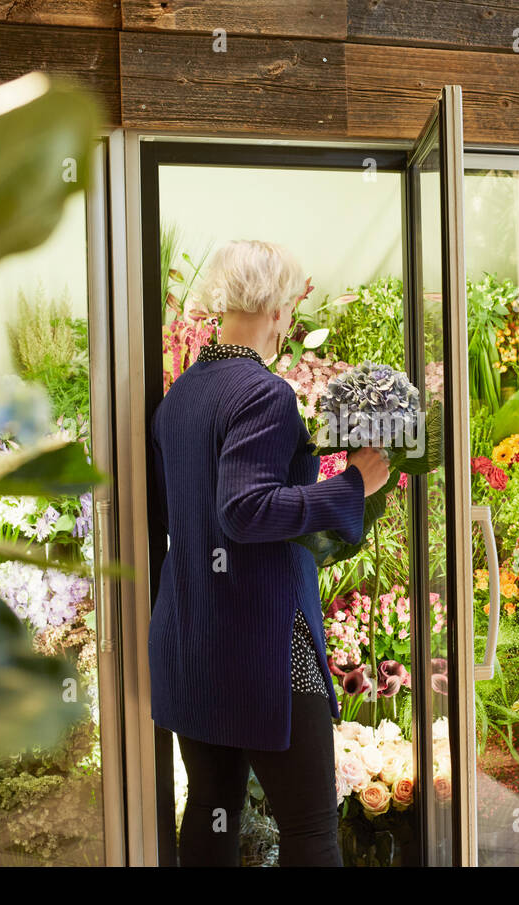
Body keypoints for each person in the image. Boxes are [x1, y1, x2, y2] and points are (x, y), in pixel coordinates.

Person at [147, 239, 390, 866]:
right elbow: (246, 509)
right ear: (280, 310)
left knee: (211, 806)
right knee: (312, 828)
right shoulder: (266, 394)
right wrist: (353, 485)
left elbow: (194, 516)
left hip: (193, 641)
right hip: (265, 647)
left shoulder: (181, 399)